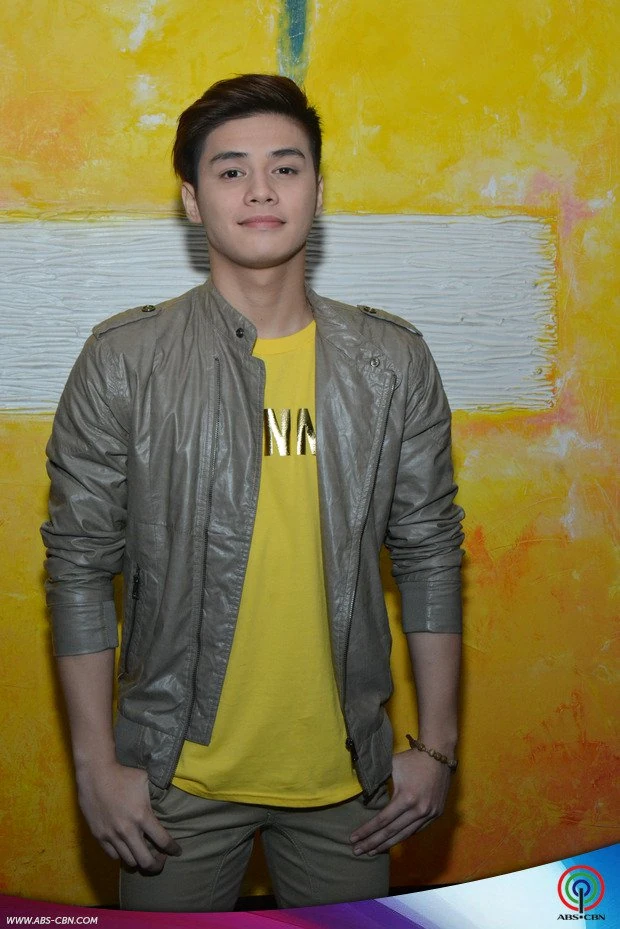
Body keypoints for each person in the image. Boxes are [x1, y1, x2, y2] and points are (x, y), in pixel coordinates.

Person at [41, 73, 464, 912]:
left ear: (318, 190)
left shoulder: (393, 364)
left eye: (286, 167)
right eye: (231, 170)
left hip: (348, 784)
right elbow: (79, 565)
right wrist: (94, 764)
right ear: (192, 199)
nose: (261, 189)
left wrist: (439, 746)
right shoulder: (124, 362)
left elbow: (430, 553)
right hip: (173, 784)